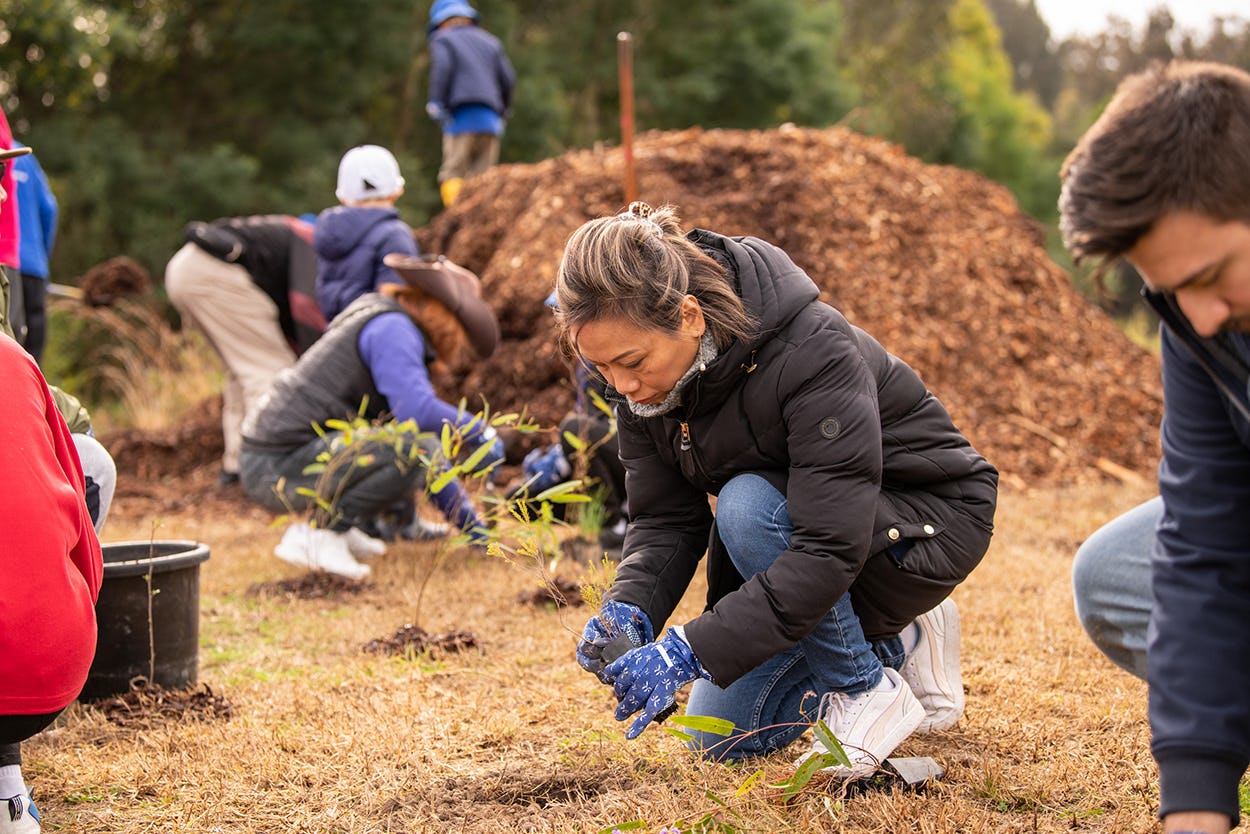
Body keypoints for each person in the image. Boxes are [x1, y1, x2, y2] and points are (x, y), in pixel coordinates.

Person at [563, 203, 998, 775]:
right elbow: (665, 521)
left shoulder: (812, 350)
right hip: (814, 537)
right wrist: (630, 610)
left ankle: (864, 687)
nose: (621, 386)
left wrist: (686, 650)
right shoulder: (645, 391)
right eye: (601, 369)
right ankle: (906, 641)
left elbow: (826, 547)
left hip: (923, 523)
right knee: (719, 737)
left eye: (631, 361)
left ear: (689, 316)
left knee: (746, 504)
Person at [1059, 60, 1250, 834]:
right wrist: (1195, 803)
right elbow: (1205, 539)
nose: (1199, 317)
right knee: (1115, 574)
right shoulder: (1202, 320)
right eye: (1174, 291)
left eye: (1211, 276)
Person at [239, 253, 504, 579]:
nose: (458, 349)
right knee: (413, 447)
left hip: (275, 459)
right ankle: (318, 535)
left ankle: (340, 527)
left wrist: (474, 531)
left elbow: (423, 452)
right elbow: (419, 416)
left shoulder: (383, 316)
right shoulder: (393, 330)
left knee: (412, 447)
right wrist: (481, 432)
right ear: (444, 316)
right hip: (274, 466)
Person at [0, 145, 104, 834]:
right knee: (90, 462)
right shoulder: (13, 358)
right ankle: (8, 785)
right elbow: (86, 554)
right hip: (52, 672)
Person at [165, 214, 325, 487]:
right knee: (270, 371)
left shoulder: (290, 233)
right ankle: (265, 472)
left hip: (184, 270)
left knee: (242, 371)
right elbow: (306, 312)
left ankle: (236, 466)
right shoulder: (311, 246)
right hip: (213, 275)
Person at [425, 0, 516, 207]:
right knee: (483, 178)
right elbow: (508, 79)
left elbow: (442, 68)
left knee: (453, 172)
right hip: (491, 121)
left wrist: (436, 102)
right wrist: (503, 110)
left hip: (460, 117)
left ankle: (456, 218)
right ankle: (478, 222)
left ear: (440, 23)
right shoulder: (491, 42)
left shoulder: (443, 39)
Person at [314, 145, 419, 323]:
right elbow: (397, 305)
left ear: (343, 196)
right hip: (374, 340)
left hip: (336, 335)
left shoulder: (327, 231)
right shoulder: (395, 235)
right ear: (397, 191)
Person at [11, 141, 57, 365]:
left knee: (9, 342)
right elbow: (50, 209)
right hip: (34, 265)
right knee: (33, 352)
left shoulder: (10, 155)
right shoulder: (27, 159)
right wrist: (41, 257)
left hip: (7, 265)